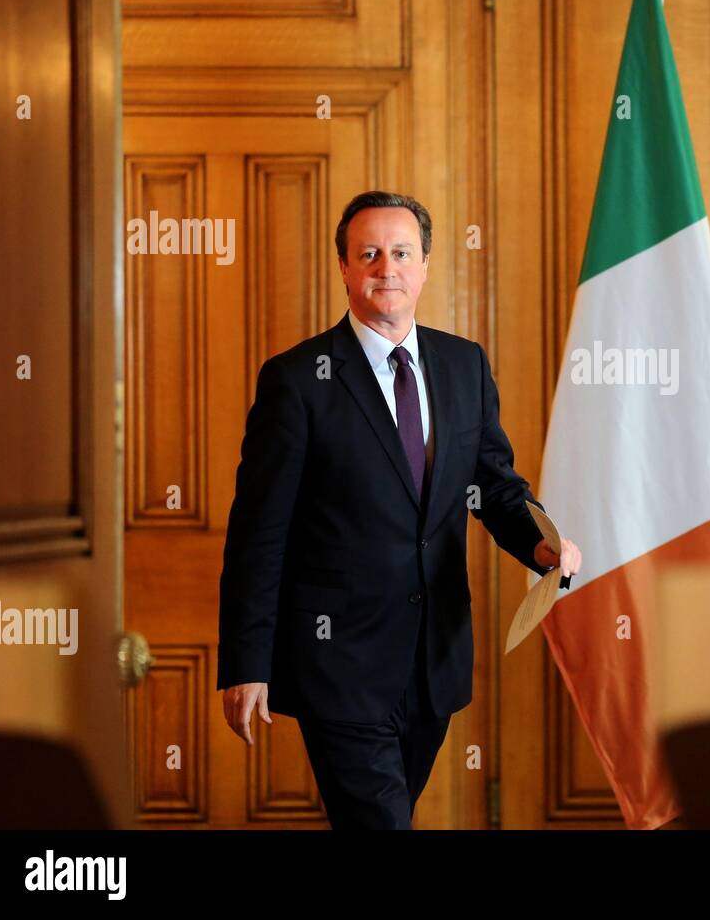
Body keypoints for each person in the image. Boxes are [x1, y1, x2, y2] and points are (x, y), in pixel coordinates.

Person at [216, 190, 581, 828]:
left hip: (433, 662)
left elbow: (493, 484)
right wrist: (246, 663)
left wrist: (541, 544)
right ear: (345, 268)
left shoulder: (464, 365)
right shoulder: (299, 380)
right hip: (339, 664)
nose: (388, 267)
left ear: (426, 265)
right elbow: (258, 534)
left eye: (403, 252)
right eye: (370, 253)